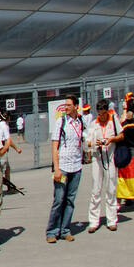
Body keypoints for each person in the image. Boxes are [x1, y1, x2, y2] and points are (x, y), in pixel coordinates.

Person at [47, 94, 84, 243]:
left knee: (70, 200)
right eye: (65, 105)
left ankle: (65, 230)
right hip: (62, 166)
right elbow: (55, 146)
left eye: (69, 105)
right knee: (59, 200)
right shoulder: (60, 122)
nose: (66, 107)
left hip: (76, 166)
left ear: (76, 106)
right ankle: (52, 231)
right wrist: (56, 168)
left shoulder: (80, 121)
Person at [84, 98, 122, 232]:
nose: (102, 117)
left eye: (104, 114)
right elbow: (86, 142)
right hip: (97, 158)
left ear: (107, 111)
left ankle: (112, 219)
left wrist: (111, 139)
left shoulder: (113, 120)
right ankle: (93, 221)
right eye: (100, 114)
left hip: (110, 157)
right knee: (96, 189)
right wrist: (95, 143)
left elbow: (121, 135)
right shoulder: (94, 124)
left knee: (111, 188)